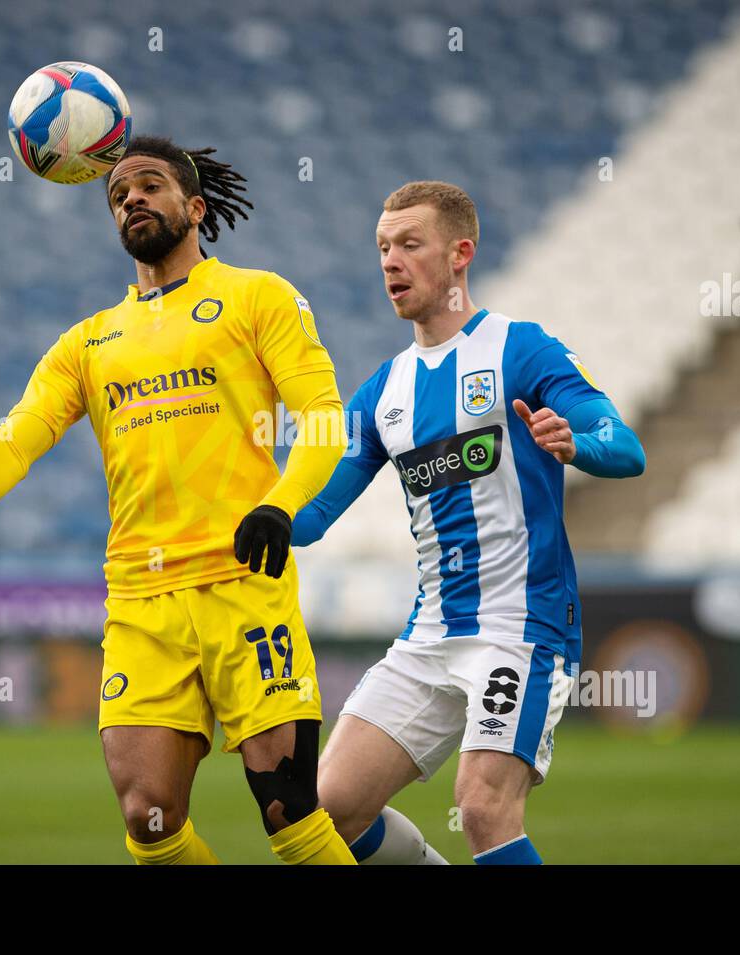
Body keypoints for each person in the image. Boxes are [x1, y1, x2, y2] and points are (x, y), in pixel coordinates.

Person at [0, 135, 354, 865]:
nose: (131, 198)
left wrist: (281, 504)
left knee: (287, 807)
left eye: (149, 185)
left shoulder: (259, 297)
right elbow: (14, 441)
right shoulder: (89, 343)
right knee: (149, 817)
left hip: (241, 585)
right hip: (140, 599)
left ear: (193, 207)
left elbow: (322, 416)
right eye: (118, 194)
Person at [294, 181, 645, 864]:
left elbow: (626, 447)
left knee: (483, 806)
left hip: (523, 623)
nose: (390, 261)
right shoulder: (384, 391)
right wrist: (244, 514)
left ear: (461, 254)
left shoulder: (522, 349)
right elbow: (312, 516)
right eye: (382, 247)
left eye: (409, 244)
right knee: (327, 811)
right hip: (431, 634)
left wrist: (580, 444)